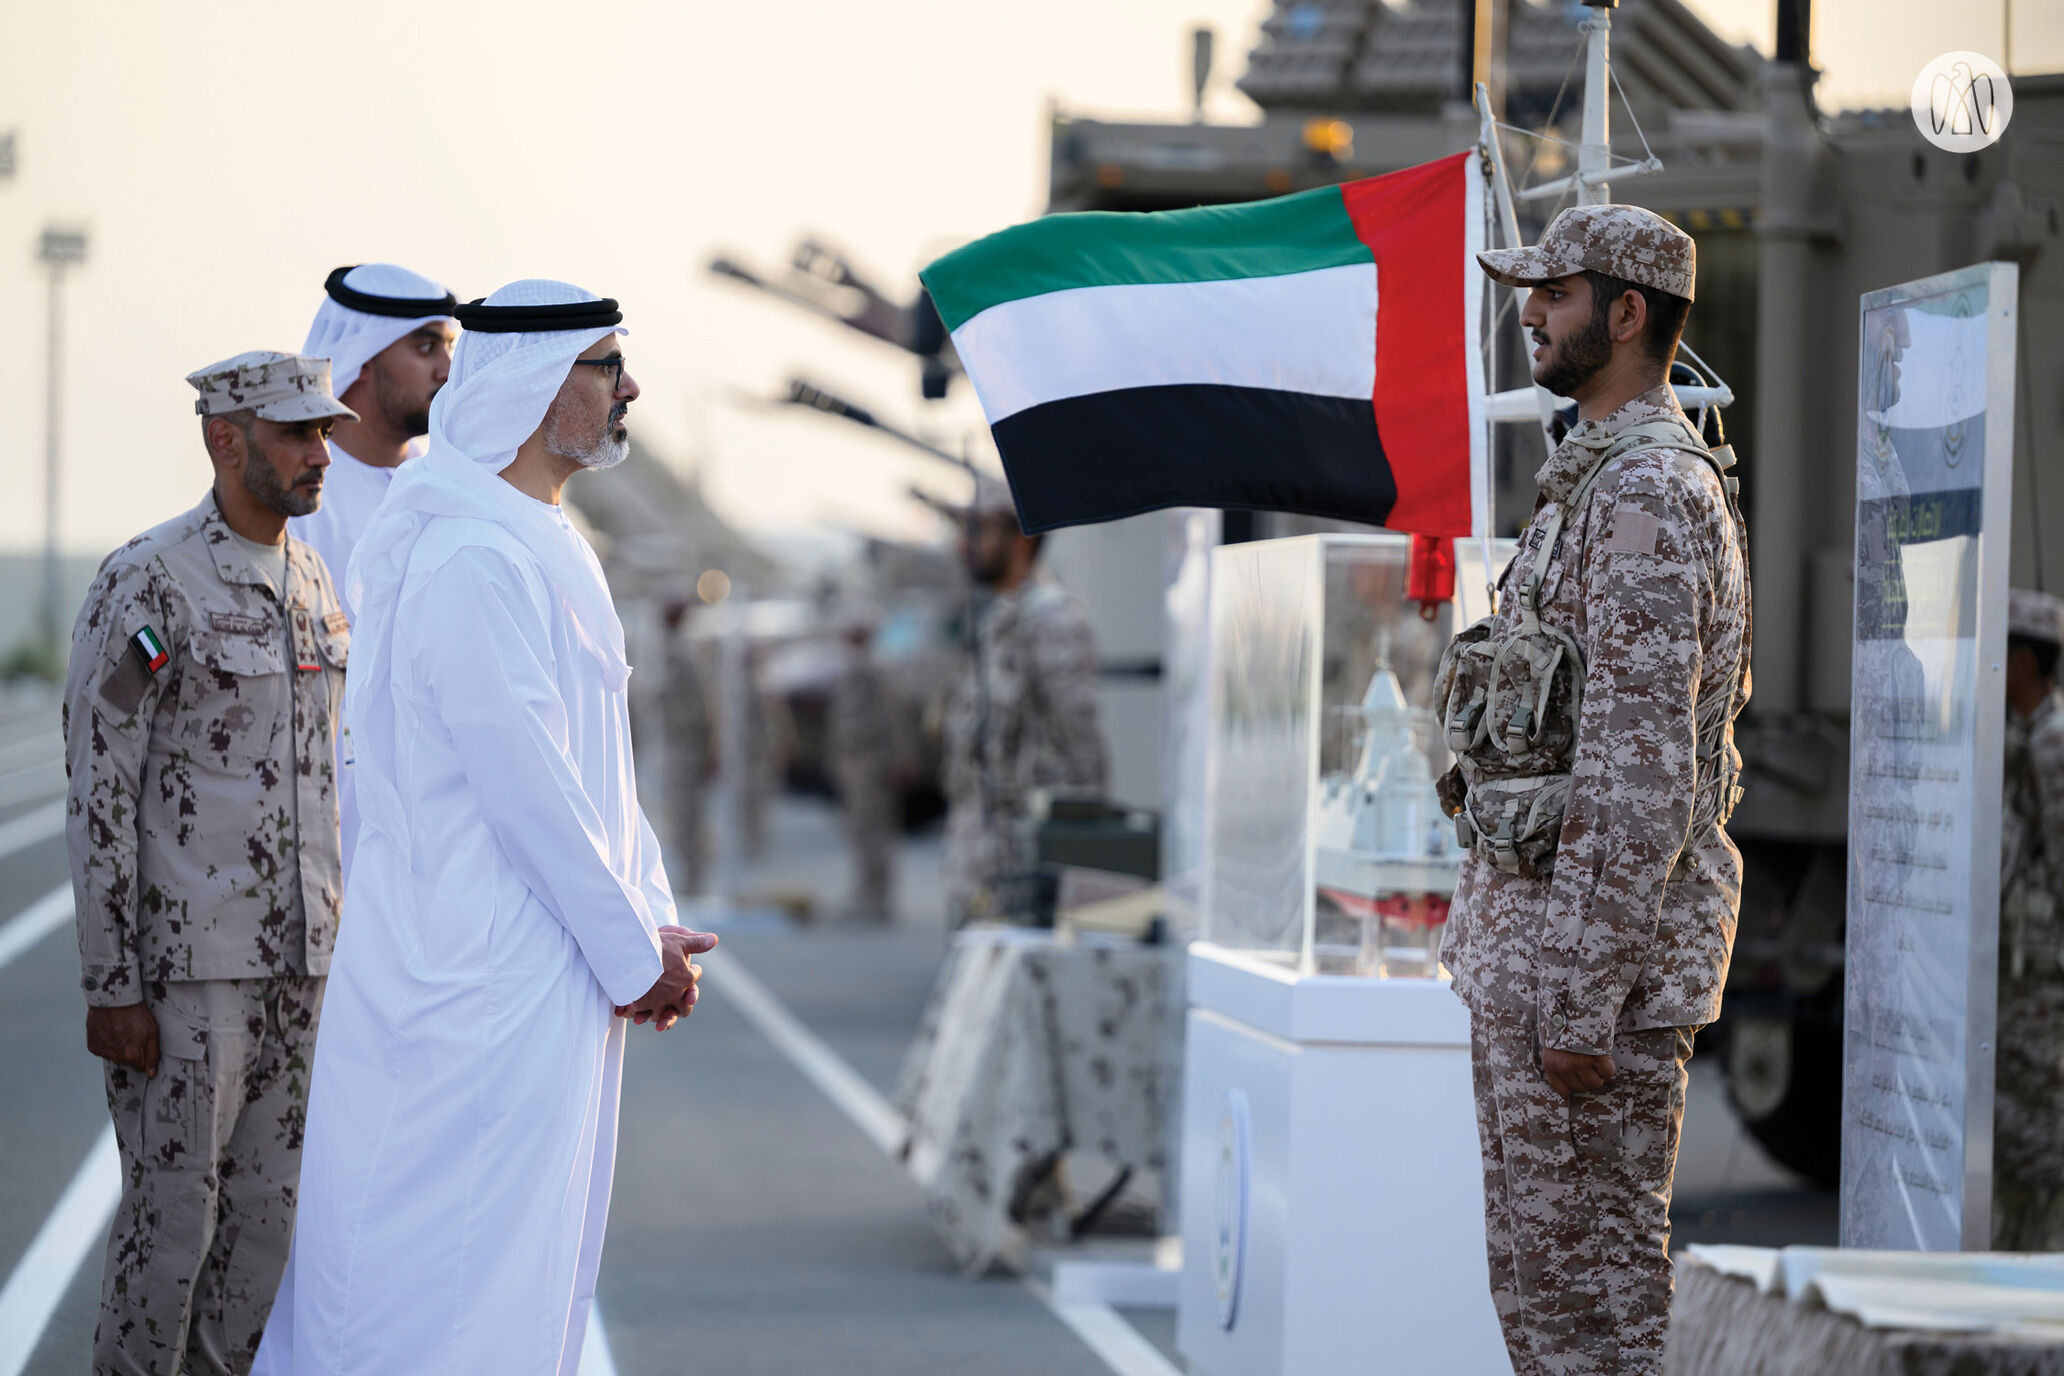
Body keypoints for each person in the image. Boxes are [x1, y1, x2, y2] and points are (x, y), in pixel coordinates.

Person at [252, 281, 716, 1375]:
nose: (630, 388)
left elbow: (604, 774)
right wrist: (629, 950)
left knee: (519, 1272)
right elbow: (529, 789)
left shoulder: (530, 536)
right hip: (467, 978)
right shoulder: (472, 556)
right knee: (432, 1280)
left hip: (539, 974)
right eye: (607, 366)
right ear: (532, 385)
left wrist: (653, 922)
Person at [1437, 204, 1749, 1375]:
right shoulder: (1593, 477)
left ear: (1627, 314)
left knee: (1598, 1324)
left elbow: (1639, 763)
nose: (1529, 312)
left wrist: (1577, 999)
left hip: (1585, 991)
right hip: (1539, 962)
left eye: (1555, 294)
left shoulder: (1647, 493)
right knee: (1541, 1305)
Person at [63, 351, 357, 1375]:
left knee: (267, 1237)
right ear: (223, 439)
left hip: (302, 969)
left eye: (324, 431)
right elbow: (100, 787)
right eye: (296, 433)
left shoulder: (315, 580)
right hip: (189, 975)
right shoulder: (148, 579)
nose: (321, 452)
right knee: (172, 1234)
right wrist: (113, 984)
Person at [940, 476, 1108, 924]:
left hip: (1021, 868)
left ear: (1022, 536)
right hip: (977, 861)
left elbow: (1082, 748)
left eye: (978, 529)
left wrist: (1077, 862)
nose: (964, 545)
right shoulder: (995, 618)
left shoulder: (1050, 619)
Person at [288, 263, 457, 588]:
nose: (447, 370)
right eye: (426, 348)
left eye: (449, 347)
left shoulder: (447, 487)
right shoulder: (298, 497)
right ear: (361, 358)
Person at [1997, 587, 2064, 1249]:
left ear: (2022, 660)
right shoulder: (2026, 736)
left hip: (2041, 972)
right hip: (2019, 965)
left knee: (2040, 1121)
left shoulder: (2052, 743)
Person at [826, 601, 900, 920]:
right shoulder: (853, 667)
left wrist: (894, 759)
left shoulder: (872, 669)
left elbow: (890, 717)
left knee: (872, 829)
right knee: (859, 828)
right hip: (853, 758)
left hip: (869, 759)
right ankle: (865, 891)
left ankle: (876, 897)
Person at [660, 595, 716, 896]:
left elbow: (699, 705)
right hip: (679, 742)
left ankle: (694, 879)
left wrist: (706, 748)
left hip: (685, 744)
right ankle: (690, 878)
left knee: (687, 813)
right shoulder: (674, 649)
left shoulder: (681, 653)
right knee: (681, 813)